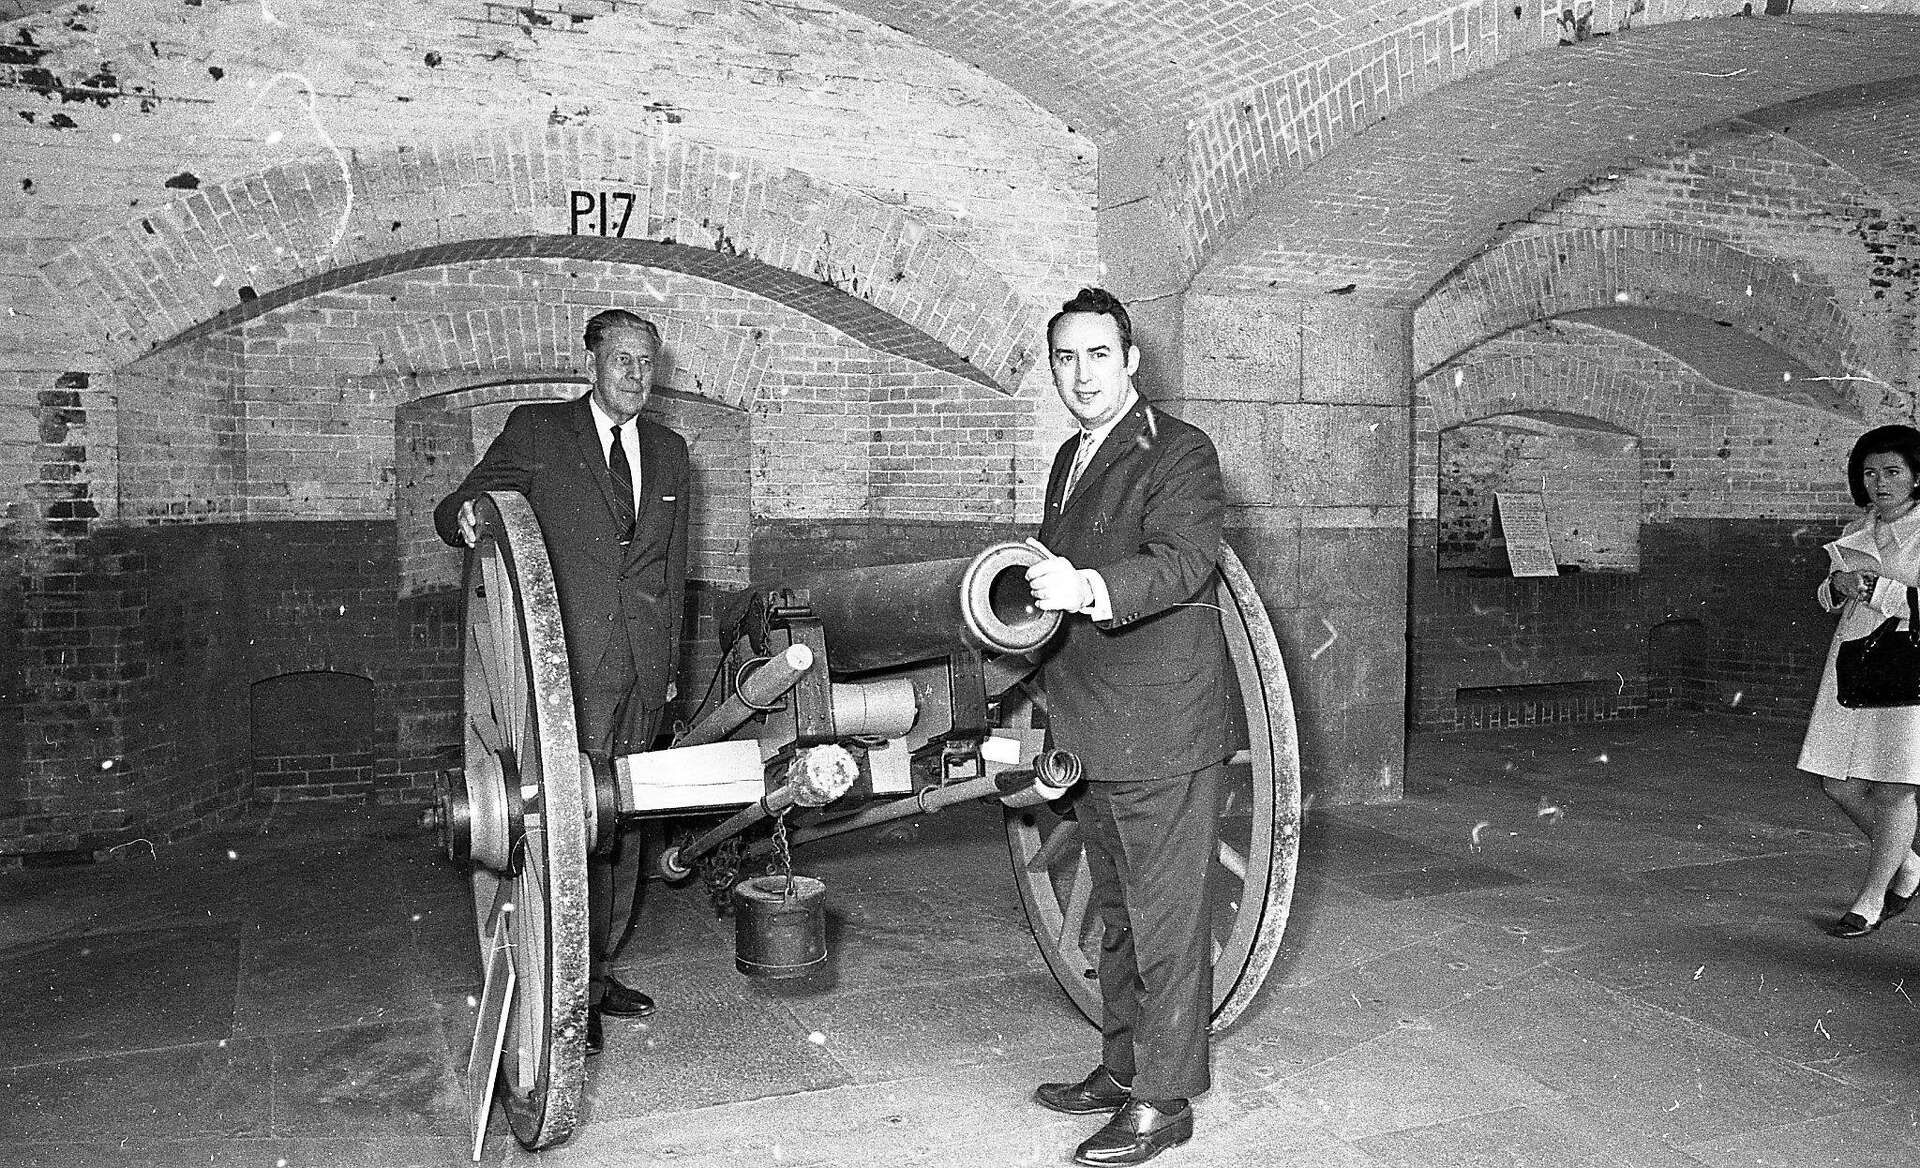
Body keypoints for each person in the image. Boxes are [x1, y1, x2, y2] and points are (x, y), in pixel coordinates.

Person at [434, 308, 691, 1051]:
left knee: (622, 822)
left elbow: (669, 574)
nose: (637, 376)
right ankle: (560, 987)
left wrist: (668, 675)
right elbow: (457, 509)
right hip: (559, 673)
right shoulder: (539, 432)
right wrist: (474, 517)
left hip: (639, 671)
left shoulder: (672, 453)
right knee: (562, 825)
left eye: (647, 363)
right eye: (622, 361)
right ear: (590, 365)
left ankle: (599, 973)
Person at [1023, 287, 1231, 1166]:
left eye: (1097, 356)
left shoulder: (1179, 450)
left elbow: (1184, 560)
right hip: (1092, 725)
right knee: (1117, 913)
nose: (1081, 375)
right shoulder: (1068, 458)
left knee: (1166, 919)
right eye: (1065, 359)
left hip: (1161, 723)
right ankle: (1121, 1068)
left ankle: (1165, 1102)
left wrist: (1085, 589)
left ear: (1131, 360)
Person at [1799, 423, 1920, 938]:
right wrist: (1837, 584)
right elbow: (1830, 595)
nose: (1880, 482)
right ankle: (1909, 865)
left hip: (1909, 663)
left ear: (1917, 477)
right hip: (1854, 658)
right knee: (1837, 782)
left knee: (1895, 785)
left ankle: (1873, 896)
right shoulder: (1859, 526)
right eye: (1870, 472)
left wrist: (1880, 590)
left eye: (1892, 471)